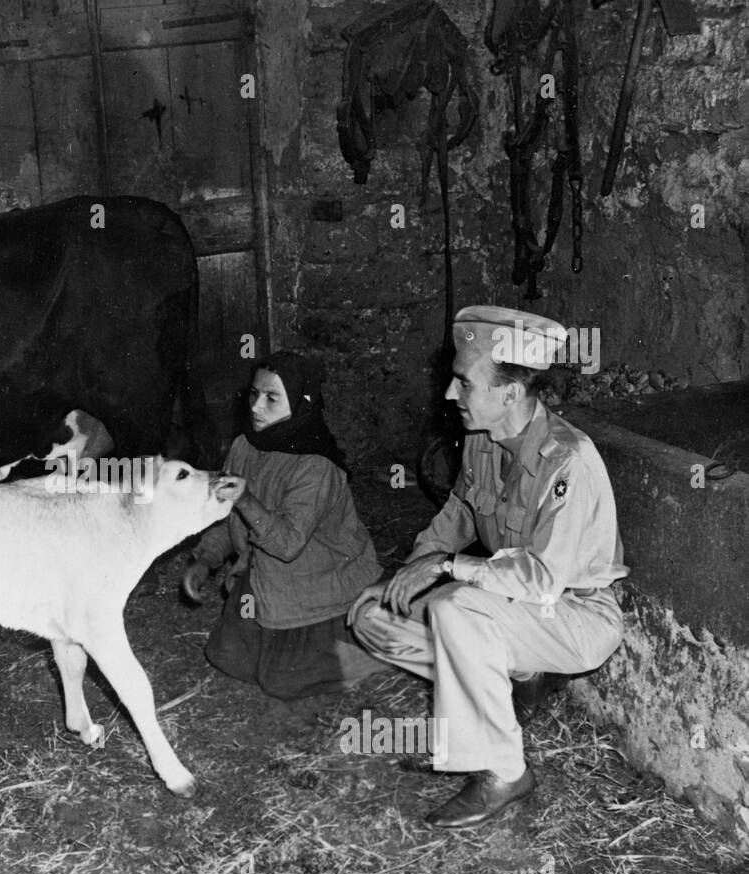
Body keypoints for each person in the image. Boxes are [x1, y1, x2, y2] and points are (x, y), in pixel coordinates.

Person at [349, 305, 628, 828]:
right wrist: (402, 577)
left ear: (509, 393)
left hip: (574, 614)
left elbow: (543, 581)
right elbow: (456, 515)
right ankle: (490, 707)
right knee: (372, 621)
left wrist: (448, 568)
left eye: (462, 382)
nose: (450, 395)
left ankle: (503, 770)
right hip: (505, 602)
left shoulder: (568, 461)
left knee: (457, 609)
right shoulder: (481, 439)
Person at [184, 352, 385, 699]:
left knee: (282, 681)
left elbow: (288, 545)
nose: (256, 407)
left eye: (272, 398)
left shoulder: (316, 466)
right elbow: (228, 516)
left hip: (316, 584)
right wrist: (206, 558)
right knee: (227, 657)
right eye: (254, 394)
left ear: (301, 403)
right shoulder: (245, 445)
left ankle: (378, 650)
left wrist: (247, 499)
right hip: (262, 578)